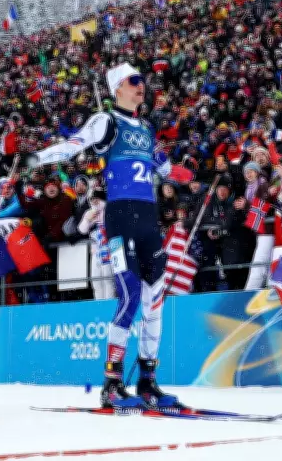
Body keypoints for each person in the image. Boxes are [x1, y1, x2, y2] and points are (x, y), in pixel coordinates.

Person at [30, 63, 176, 409]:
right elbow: (73, 145)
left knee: (155, 297)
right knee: (129, 296)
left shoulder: (147, 126)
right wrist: (36, 158)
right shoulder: (106, 120)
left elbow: (164, 168)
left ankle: (148, 380)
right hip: (120, 215)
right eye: (134, 81)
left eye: (143, 81)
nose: (142, 86)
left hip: (148, 216)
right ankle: (111, 382)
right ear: (117, 89)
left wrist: (175, 169)